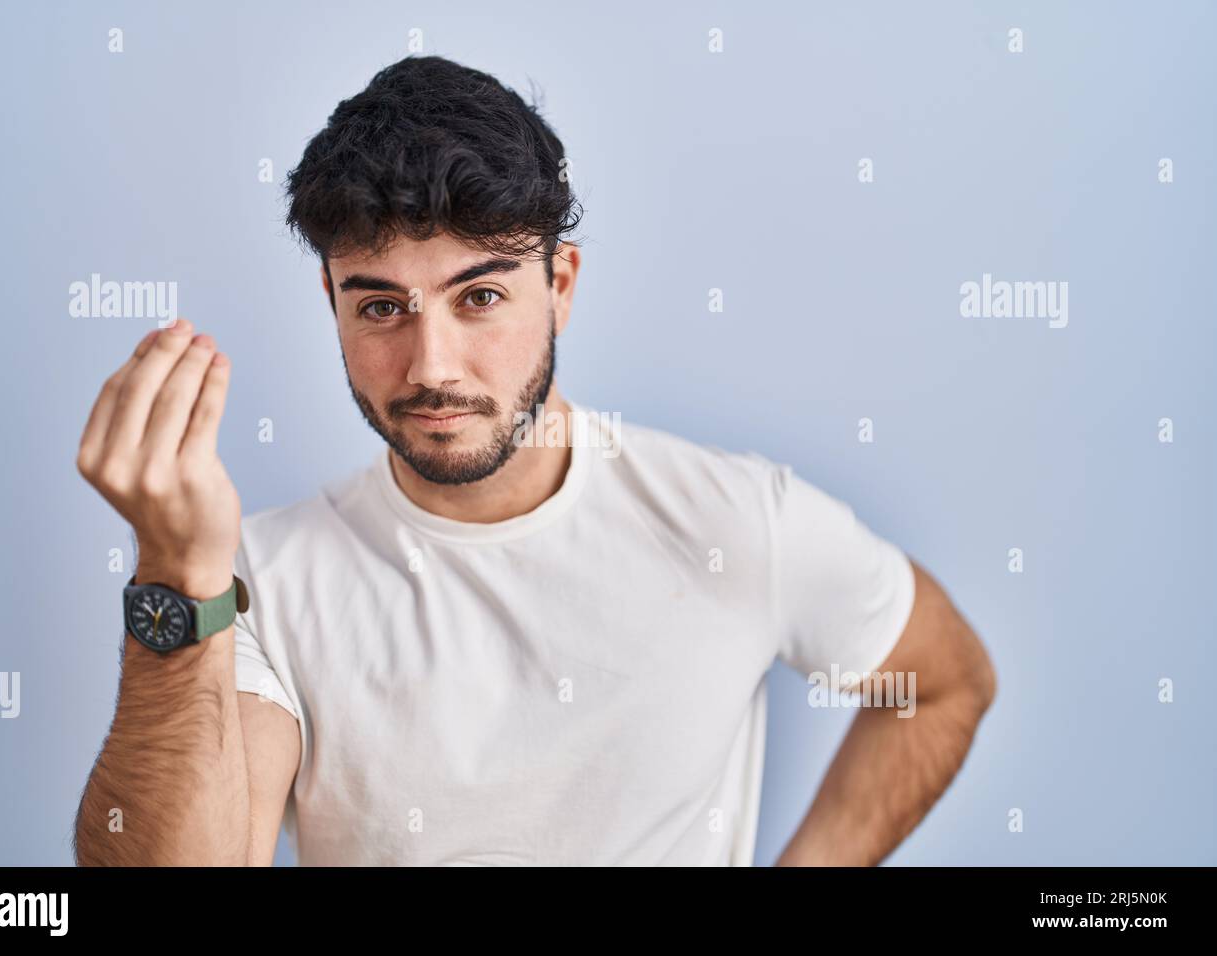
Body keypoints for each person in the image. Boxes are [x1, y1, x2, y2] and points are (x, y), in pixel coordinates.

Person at [73, 55, 995, 866]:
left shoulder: (732, 522)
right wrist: (176, 573)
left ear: (559, 287)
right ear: (333, 302)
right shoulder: (260, 585)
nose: (432, 368)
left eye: (479, 296)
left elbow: (946, 681)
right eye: (382, 307)